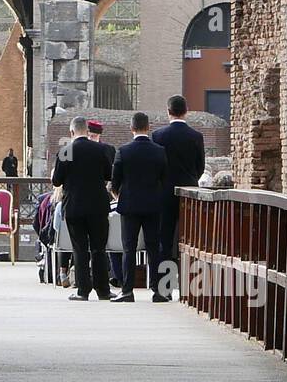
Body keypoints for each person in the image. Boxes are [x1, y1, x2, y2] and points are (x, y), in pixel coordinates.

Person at [51, 115, 113, 300]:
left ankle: (83, 291)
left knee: (80, 249)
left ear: (71, 132)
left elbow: (57, 180)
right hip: (98, 206)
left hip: (74, 207)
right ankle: (103, 290)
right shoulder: (101, 149)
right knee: (99, 249)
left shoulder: (66, 151)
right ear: (87, 131)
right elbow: (109, 175)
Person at [151, 95, 206, 301]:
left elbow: (155, 167)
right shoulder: (196, 136)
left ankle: (163, 290)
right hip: (189, 193)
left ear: (168, 112)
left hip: (164, 193)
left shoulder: (157, 136)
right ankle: (189, 290)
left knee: (164, 241)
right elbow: (200, 167)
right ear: (186, 111)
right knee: (189, 240)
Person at [109, 112, 168, 303]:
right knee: (153, 248)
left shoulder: (123, 151)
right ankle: (157, 291)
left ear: (131, 128)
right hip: (153, 205)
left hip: (129, 206)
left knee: (129, 248)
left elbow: (115, 181)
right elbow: (164, 179)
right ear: (148, 127)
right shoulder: (159, 151)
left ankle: (127, 291)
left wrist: (120, 196)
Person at [86, 119, 120, 288]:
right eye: (90, 135)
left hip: (102, 195)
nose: (92, 138)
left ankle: (107, 274)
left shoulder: (108, 149)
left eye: (95, 135)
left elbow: (111, 173)